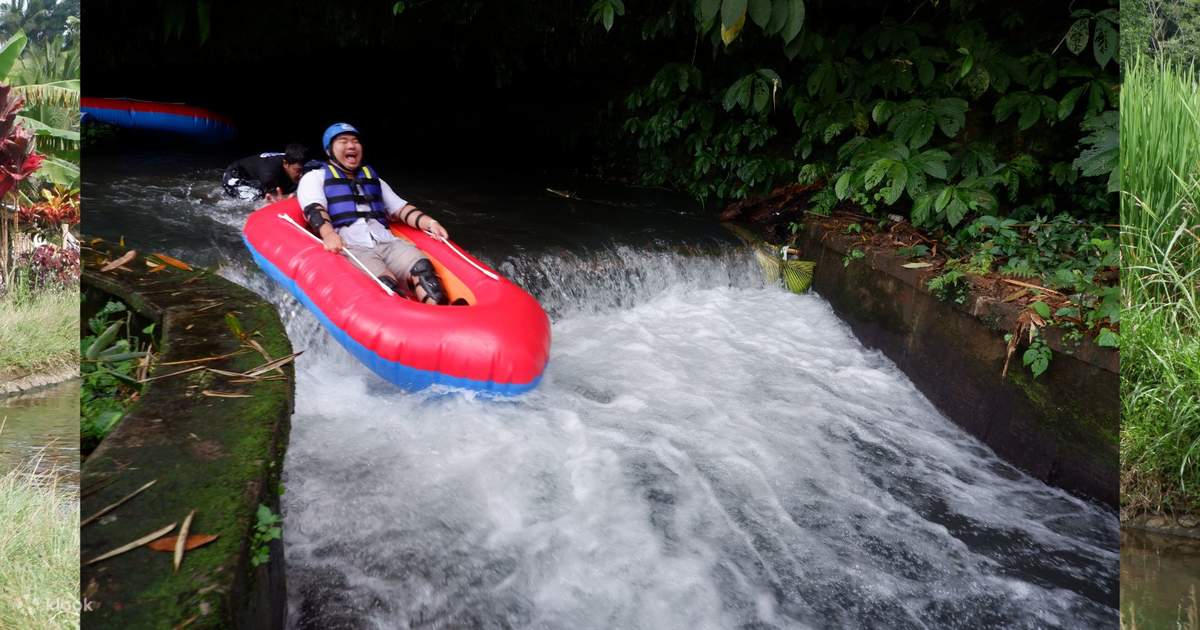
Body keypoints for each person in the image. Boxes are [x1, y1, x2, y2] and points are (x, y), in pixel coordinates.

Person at [297, 122, 459, 305]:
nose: (351, 145)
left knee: (423, 269)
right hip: (351, 247)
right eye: (343, 141)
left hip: (387, 242)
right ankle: (409, 318)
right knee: (387, 286)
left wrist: (430, 223)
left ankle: (442, 311)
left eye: (355, 141)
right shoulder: (315, 178)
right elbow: (314, 210)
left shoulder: (374, 180)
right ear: (329, 151)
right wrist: (328, 234)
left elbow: (400, 209)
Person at [222, 143, 308, 202]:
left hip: (259, 173)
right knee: (256, 200)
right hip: (235, 174)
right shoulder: (269, 174)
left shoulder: (300, 163)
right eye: (298, 170)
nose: (301, 175)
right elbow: (274, 200)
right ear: (286, 164)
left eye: (303, 170)